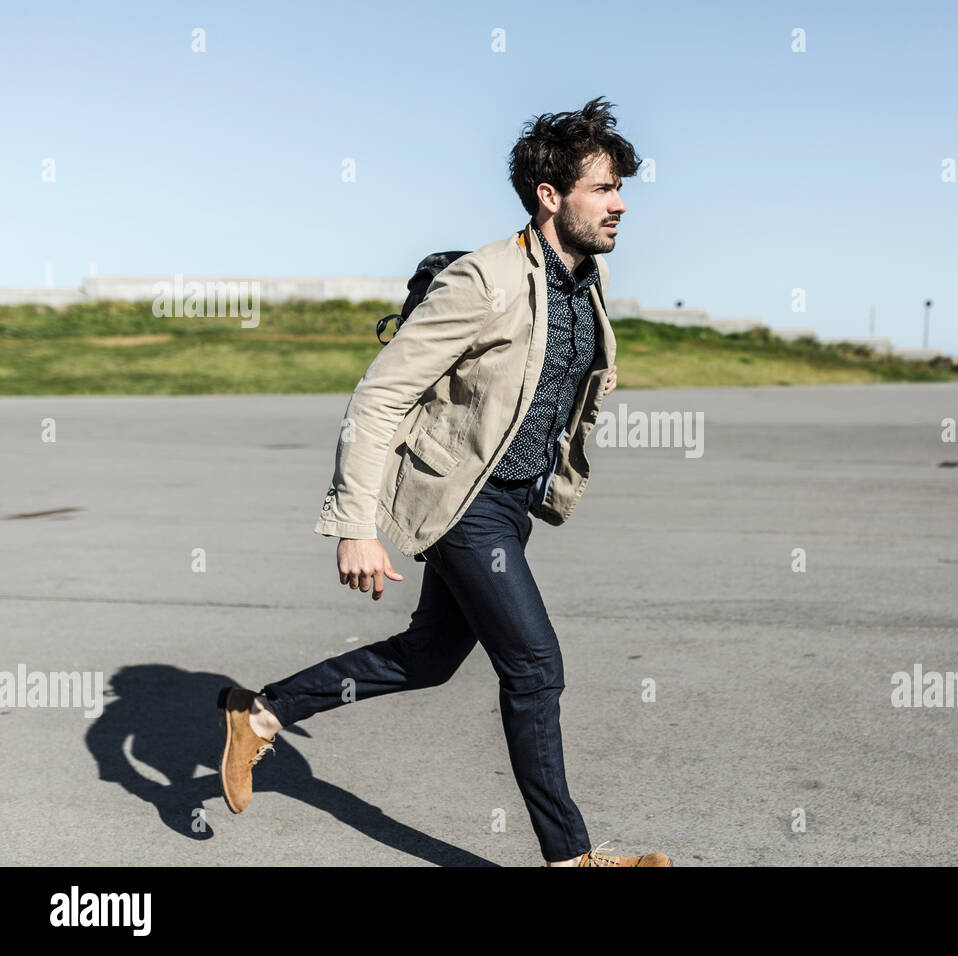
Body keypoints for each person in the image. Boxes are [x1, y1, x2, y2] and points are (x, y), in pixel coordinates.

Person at [217, 96, 670, 867]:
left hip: (513, 504)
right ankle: (572, 860)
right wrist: (356, 523)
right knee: (535, 667)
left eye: (621, 186)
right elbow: (380, 395)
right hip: (463, 504)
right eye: (603, 187)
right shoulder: (484, 280)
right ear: (549, 196)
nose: (621, 201)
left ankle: (259, 714)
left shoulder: (582, 284)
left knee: (427, 659)